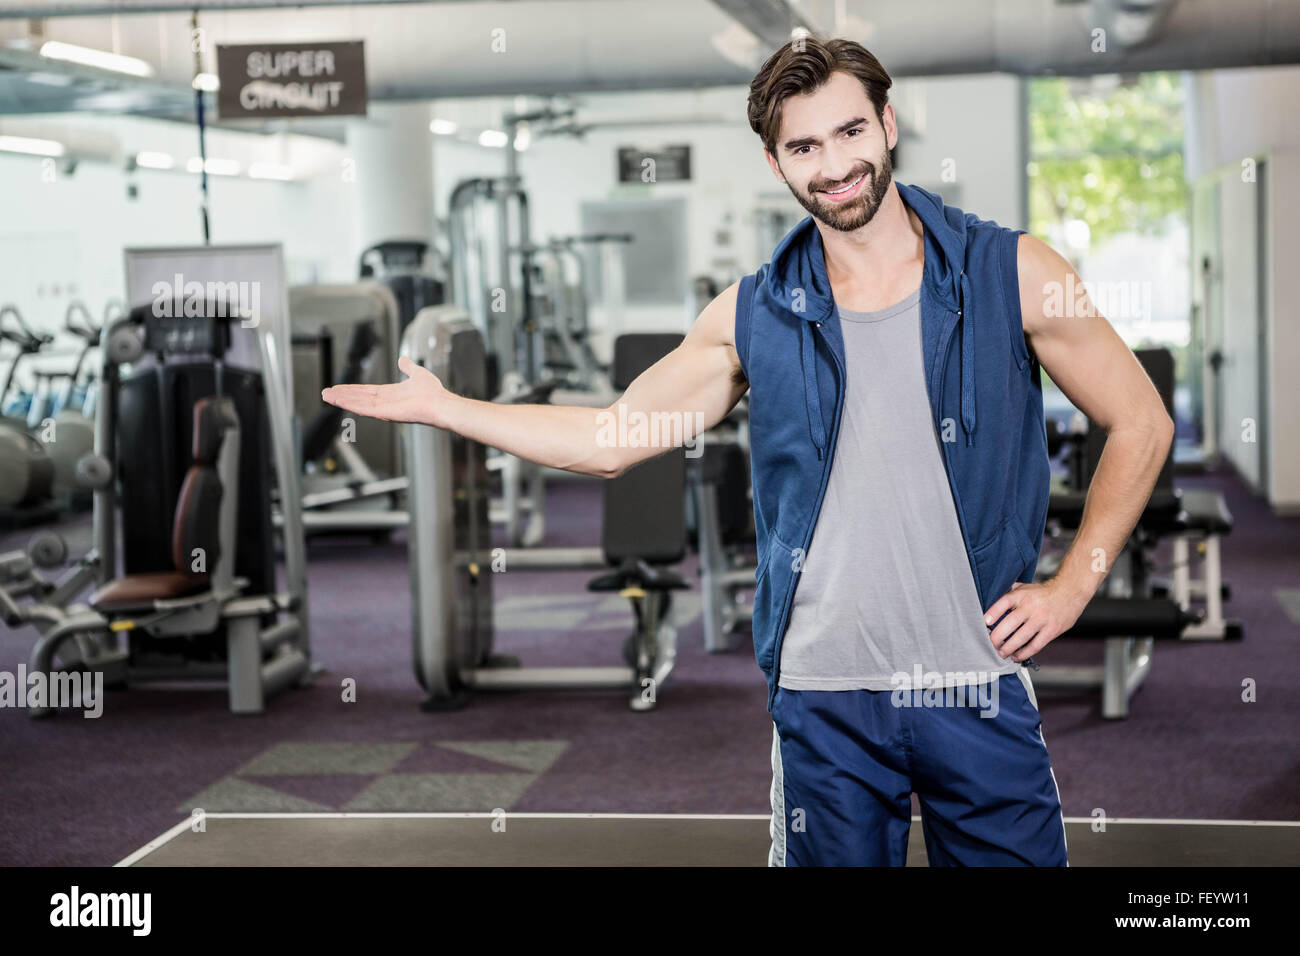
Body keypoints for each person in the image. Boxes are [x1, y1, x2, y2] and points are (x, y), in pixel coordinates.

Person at [322, 35, 1174, 867]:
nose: (835, 164)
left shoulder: (1011, 271)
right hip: (824, 695)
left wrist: (1073, 586)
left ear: (887, 124)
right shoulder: (753, 314)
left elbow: (1140, 420)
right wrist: (449, 408)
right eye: (804, 145)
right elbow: (610, 440)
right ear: (776, 163)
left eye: (849, 132)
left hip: (975, 680)